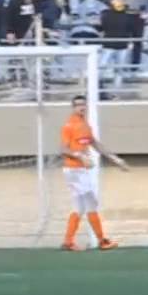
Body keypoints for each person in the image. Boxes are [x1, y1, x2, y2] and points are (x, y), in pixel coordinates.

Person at [60, 95, 127, 251]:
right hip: (74, 170)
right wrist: (81, 157)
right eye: (78, 105)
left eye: (83, 104)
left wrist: (115, 159)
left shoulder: (85, 125)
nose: (81, 107)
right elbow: (63, 149)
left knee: (80, 206)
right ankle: (102, 240)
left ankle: (68, 242)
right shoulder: (69, 126)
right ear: (73, 107)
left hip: (80, 170)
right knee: (91, 203)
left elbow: (95, 144)